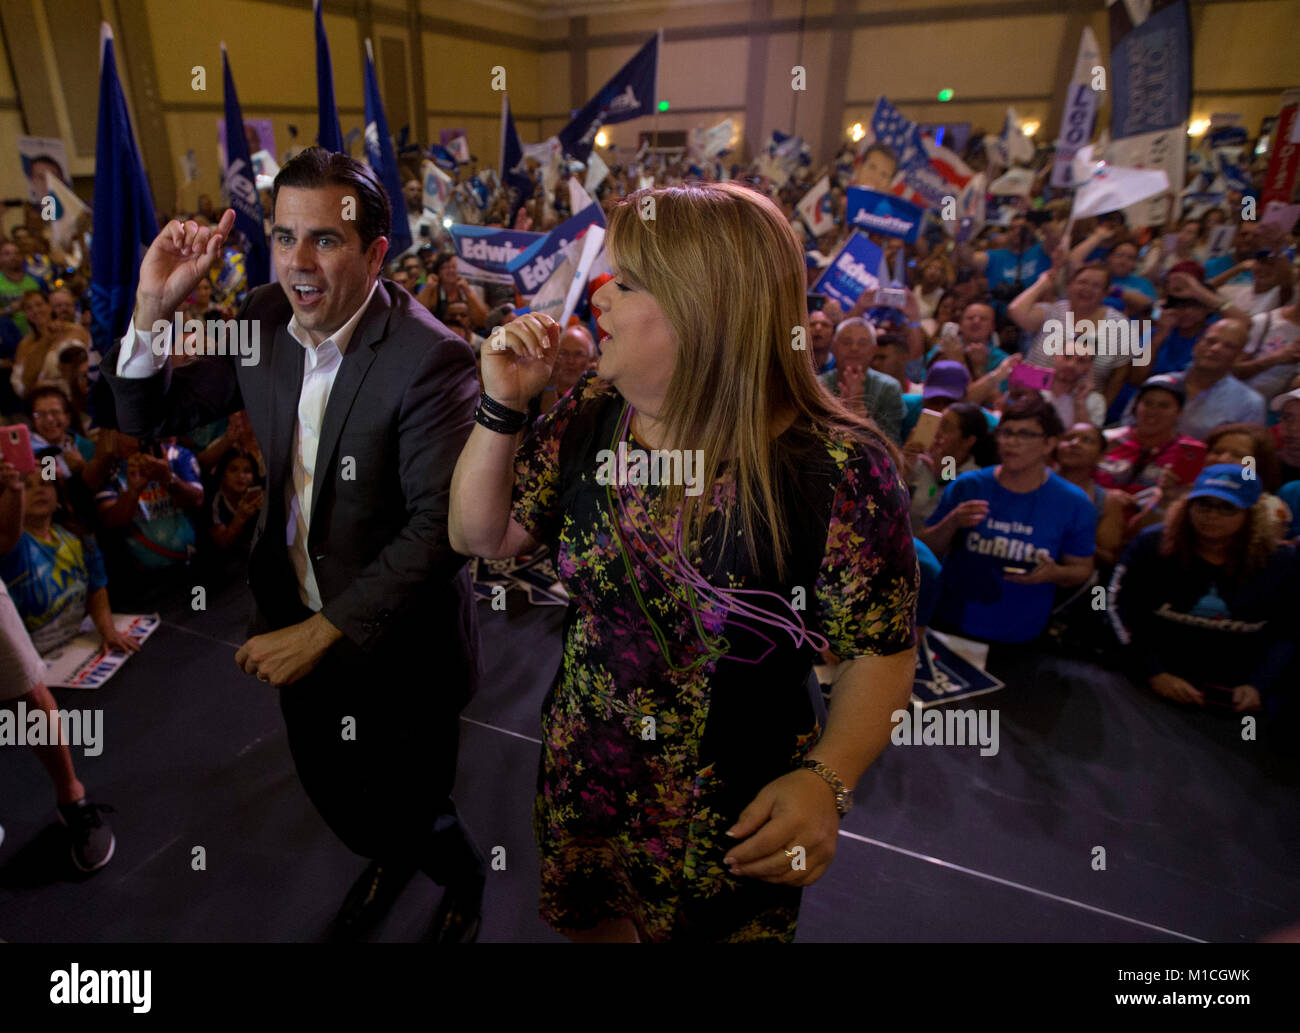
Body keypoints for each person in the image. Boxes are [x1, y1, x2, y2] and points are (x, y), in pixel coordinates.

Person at [449, 181, 918, 943]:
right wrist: (500, 405)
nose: (597, 295)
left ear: (707, 311)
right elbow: (482, 536)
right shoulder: (593, 414)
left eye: (626, 281)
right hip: (588, 767)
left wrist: (829, 778)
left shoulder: (836, 471)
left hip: (730, 810)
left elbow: (881, 648)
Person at [100, 147, 486, 942]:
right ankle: (388, 852)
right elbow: (151, 419)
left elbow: (438, 534)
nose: (298, 264)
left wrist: (325, 630)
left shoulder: (432, 359)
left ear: (377, 252)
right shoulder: (265, 314)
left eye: (326, 240)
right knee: (337, 789)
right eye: (283, 237)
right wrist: (149, 306)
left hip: (398, 643)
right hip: (291, 621)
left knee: (417, 801)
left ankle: (461, 880)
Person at [0, 462, 116, 873]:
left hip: (50, 659)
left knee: (30, 694)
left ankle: (73, 798)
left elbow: (97, 584)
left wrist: (11, 488)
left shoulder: (76, 536)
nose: (39, 490)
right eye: (27, 485)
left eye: (44, 483)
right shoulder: (20, 551)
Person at [1108, 464, 1298, 713]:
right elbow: (1115, 607)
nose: (1211, 515)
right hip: (1149, 683)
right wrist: (1153, 672)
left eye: (1227, 508)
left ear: (1250, 516)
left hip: (1235, 696)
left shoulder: (1282, 561)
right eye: (1203, 505)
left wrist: (1258, 685)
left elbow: (1289, 631)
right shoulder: (1152, 544)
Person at [919, 395, 1095, 645]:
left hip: (1021, 634)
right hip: (950, 622)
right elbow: (923, 550)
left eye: (1025, 434)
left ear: (1048, 444)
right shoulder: (968, 485)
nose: (1011, 442)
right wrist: (951, 522)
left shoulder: (1074, 502)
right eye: (1006, 432)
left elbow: (1082, 569)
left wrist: (1053, 573)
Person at [1159, 318, 1266, 441]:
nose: (1215, 348)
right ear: (1197, 345)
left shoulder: (1250, 404)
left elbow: (1244, 453)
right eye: (1211, 341)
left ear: (1239, 356)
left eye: (1228, 346)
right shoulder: (1161, 383)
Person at [903, 401, 997, 535]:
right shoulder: (918, 463)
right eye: (938, 425)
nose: (937, 433)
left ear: (968, 441)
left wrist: (940, 475)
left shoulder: (974, 478)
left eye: (946, 428)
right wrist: (903, 465)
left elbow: (939, 516)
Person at [818, 318, 904, 443]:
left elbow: (891, 444)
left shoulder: (889, 388)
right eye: (847, 342)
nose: (854, 348)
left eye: (862, 343)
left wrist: (858, 407)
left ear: (873, 350)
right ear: (834, 347)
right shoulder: (819, 385)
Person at [1053, 422, 1126, 566]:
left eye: (1087, 440)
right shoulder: (1032, 484)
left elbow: (1109, 558)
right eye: (1068, 438)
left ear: (1101, 455)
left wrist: (1070, 539)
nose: (1074, 444)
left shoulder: (1107, 501)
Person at [1233, 296, 1300, 403]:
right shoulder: (1264, 321)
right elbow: (1233, 372)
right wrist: (1277, 358)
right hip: (1236, 401)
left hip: (1273, 411)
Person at [531, 324, 596, 416]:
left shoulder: (599, 397)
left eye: (579, 354)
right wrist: (550, 384)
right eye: (563, 353)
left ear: (591, 359)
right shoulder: (536, 393)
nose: (570, 361)